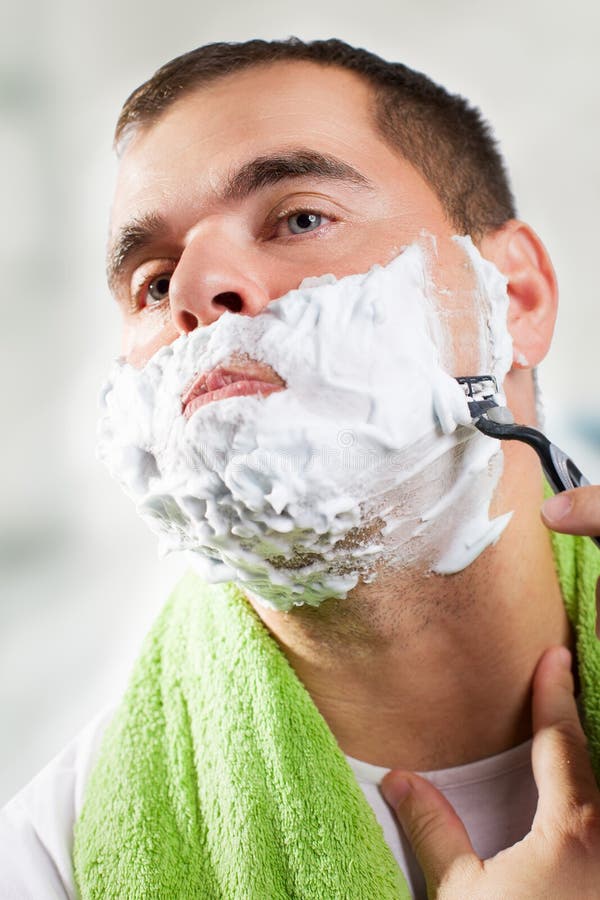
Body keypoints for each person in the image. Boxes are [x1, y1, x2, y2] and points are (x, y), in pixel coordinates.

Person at [1, 37, 600, 899]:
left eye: (299, 218)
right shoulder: (44, 866)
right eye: (151, 278)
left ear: (511, 299)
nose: (194, 292)